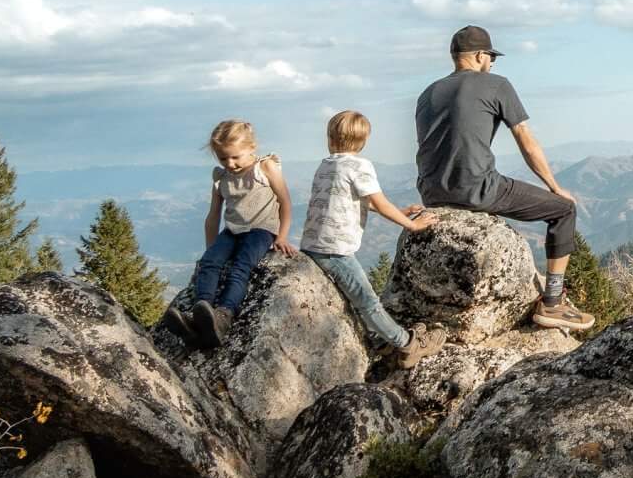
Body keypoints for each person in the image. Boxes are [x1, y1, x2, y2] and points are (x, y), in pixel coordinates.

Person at [415, 25, 594, 331]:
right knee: (564, 210)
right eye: (492, 57)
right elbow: (525, 139)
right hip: (478, 189)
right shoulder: (496, 85)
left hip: (431, 192)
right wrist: (554, 187)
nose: (493, 63)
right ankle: (552, 302)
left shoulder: (427, 93)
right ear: (480, 56)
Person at [302, 109, 442, 369]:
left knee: (354, 300)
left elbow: (358, 201)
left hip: (313, 246)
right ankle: (408, 344)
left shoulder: (326, 165)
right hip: (336, 249)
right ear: (363, 140)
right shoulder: (359, 165)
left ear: (330, 138)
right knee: (368, 301)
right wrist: (412, 224)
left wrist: (398, 212)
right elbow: (376, 200)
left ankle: (379, 339)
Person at [166, 119, 293, 349]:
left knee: (241, 267)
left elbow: (285, 202)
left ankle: (224, 315)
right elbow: (213, 215)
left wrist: (281, 237)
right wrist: (211, 250)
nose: (230, 163)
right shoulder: (221, 177)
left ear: (251, 148)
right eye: (223, 158)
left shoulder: (265, 168)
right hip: (232, 230)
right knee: (210, 262)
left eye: (235, 157)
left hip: (261, 229)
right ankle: (201, 313)